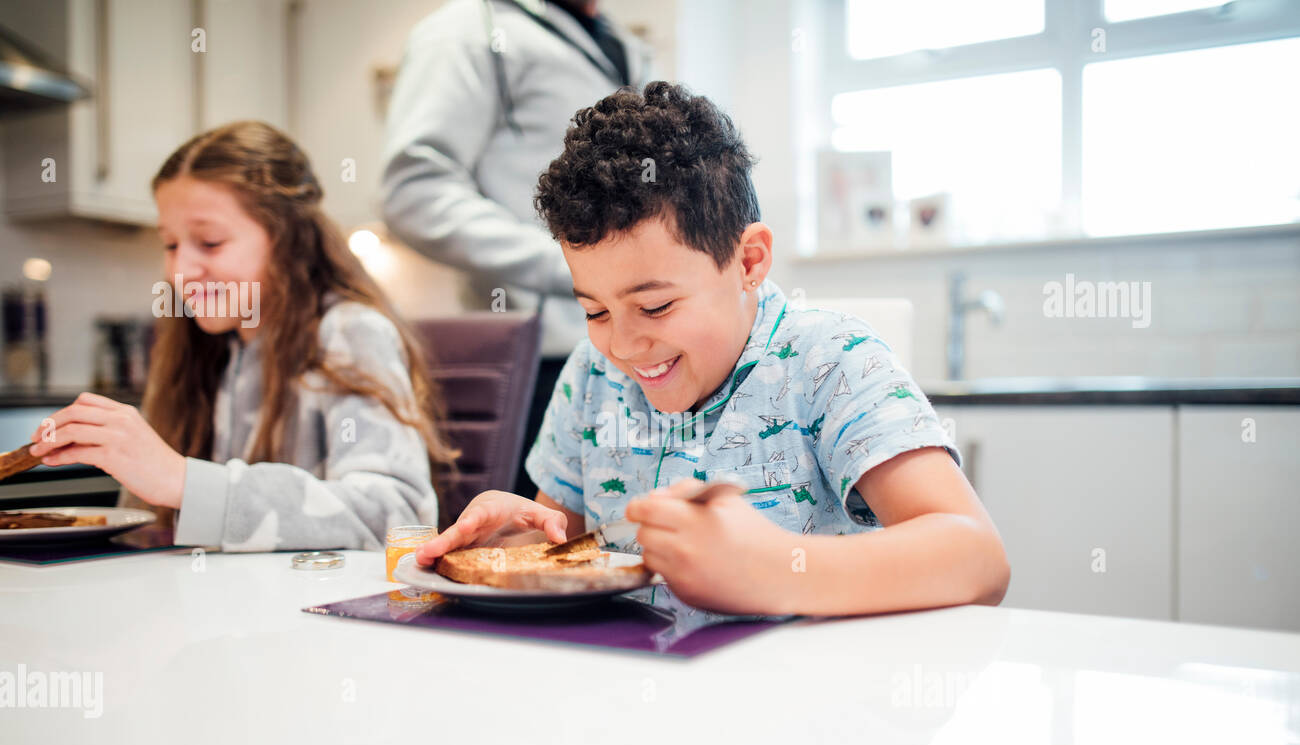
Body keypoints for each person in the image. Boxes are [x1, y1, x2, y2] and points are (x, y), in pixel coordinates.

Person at [415, 82, 1010, 616]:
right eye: (594, 310)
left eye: (655, 307)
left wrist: (779, 570)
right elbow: (562, 547)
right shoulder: (590, 375)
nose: (622, 344)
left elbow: (978, 557)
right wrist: (505, 544)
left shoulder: (831, 361)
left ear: (748, 261)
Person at [29, 121, 458, 551]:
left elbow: (396, 513)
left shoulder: (349, 331)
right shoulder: (208, 347)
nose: (180, 272)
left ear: (286, 238)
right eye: (171, 245)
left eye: (210, 242)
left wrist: (184, 481)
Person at [381, 0, 651, 498]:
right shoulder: (465, 32)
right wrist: (570, 266)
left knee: (622, 546)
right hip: (540, 360)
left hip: (630, 349)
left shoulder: (619, 42)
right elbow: (413, 192)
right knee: (544, 553)